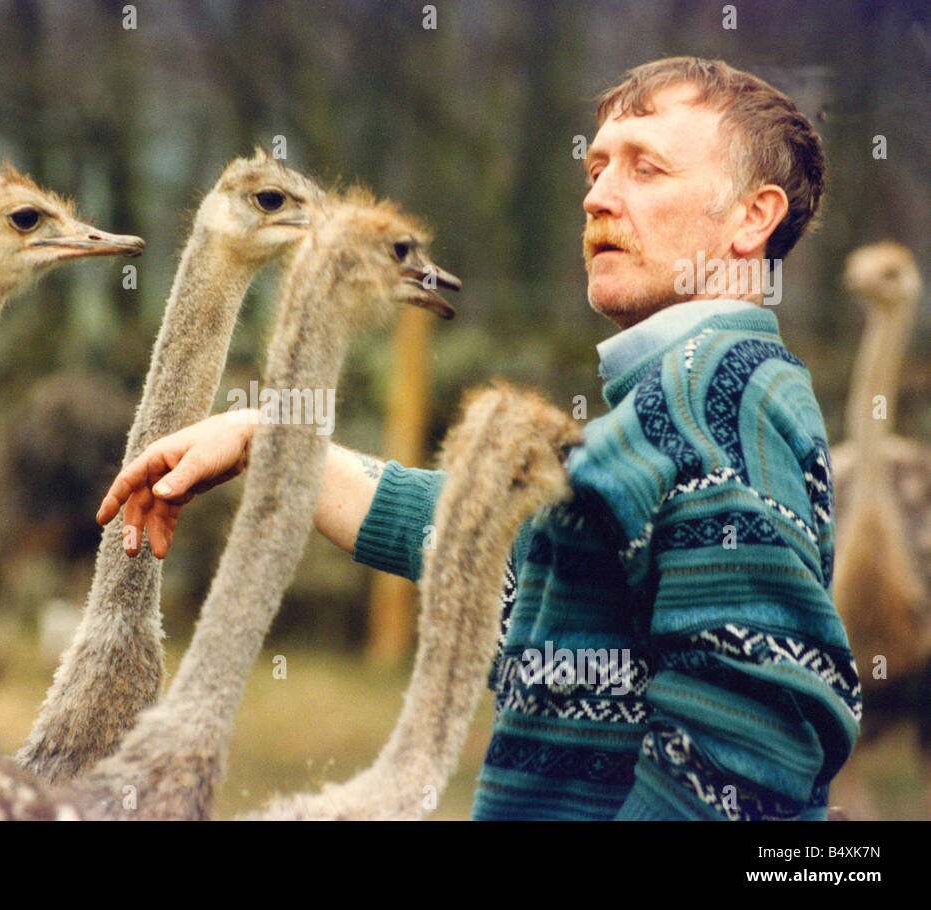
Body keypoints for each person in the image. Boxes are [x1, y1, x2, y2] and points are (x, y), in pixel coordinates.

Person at [96, 57, 858, 820]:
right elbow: (514, 547)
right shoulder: (678, 397)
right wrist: (268, 436)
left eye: (646, 169)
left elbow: (754, 734)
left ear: (753, 218)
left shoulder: (719, 396)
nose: (598, 195)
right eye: (595, 169)